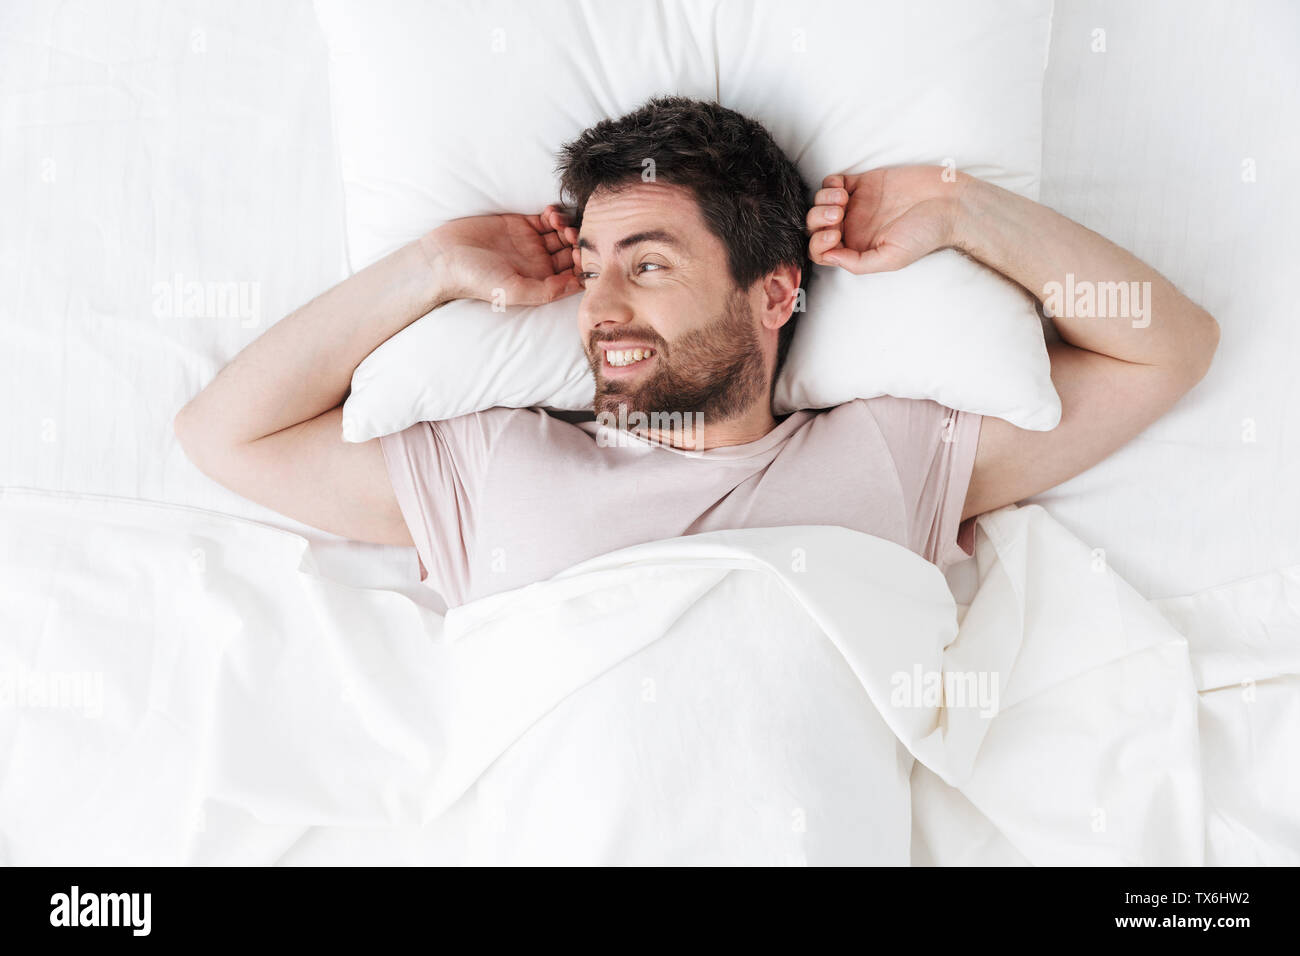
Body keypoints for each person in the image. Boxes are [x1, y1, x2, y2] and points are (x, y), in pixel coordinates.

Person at [174, 96, 1219, 608]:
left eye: (648, 265)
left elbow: (1165, 350)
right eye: (589, 268)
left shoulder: (891, 457)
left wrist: (963, 205)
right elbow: (223, 435)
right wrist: (427, 270)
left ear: (774, 292)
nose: (599, 308)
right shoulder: (498, 466)